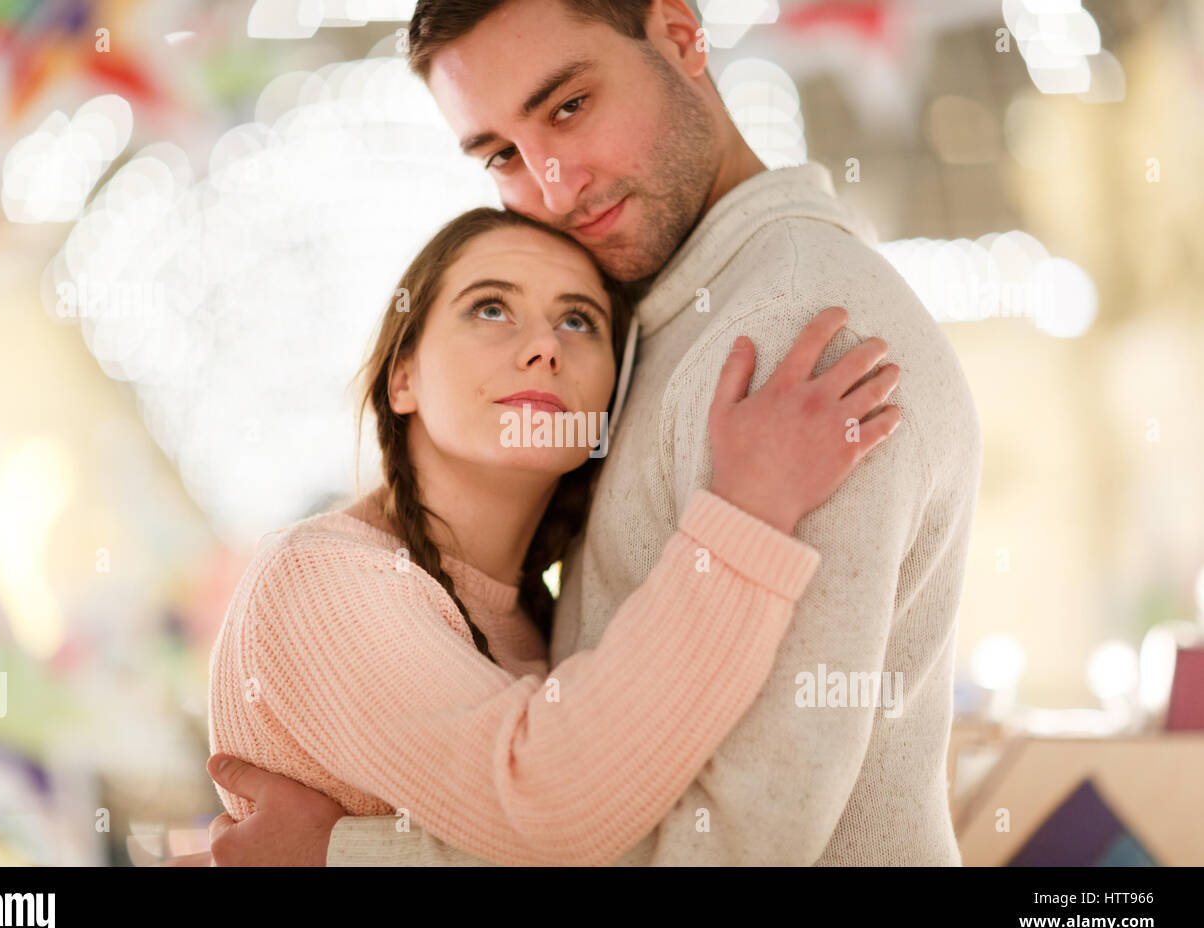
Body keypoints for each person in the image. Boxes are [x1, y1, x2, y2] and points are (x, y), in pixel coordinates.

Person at [205, 0, 981, 867]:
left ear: (682, 35)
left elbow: (732, 843)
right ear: (402, 372)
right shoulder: (677, 311)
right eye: (500, 154)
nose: (552, 184)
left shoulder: (790, 331)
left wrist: (342, 859)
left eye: (569, 106)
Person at [205, 204, 899, 866]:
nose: (542, 347)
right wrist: (748, 509)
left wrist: (344, 856)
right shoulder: (320, 578)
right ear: (403, 376)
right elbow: (550, 802)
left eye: (578, 320)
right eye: (491, 308)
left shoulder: (532, 620)